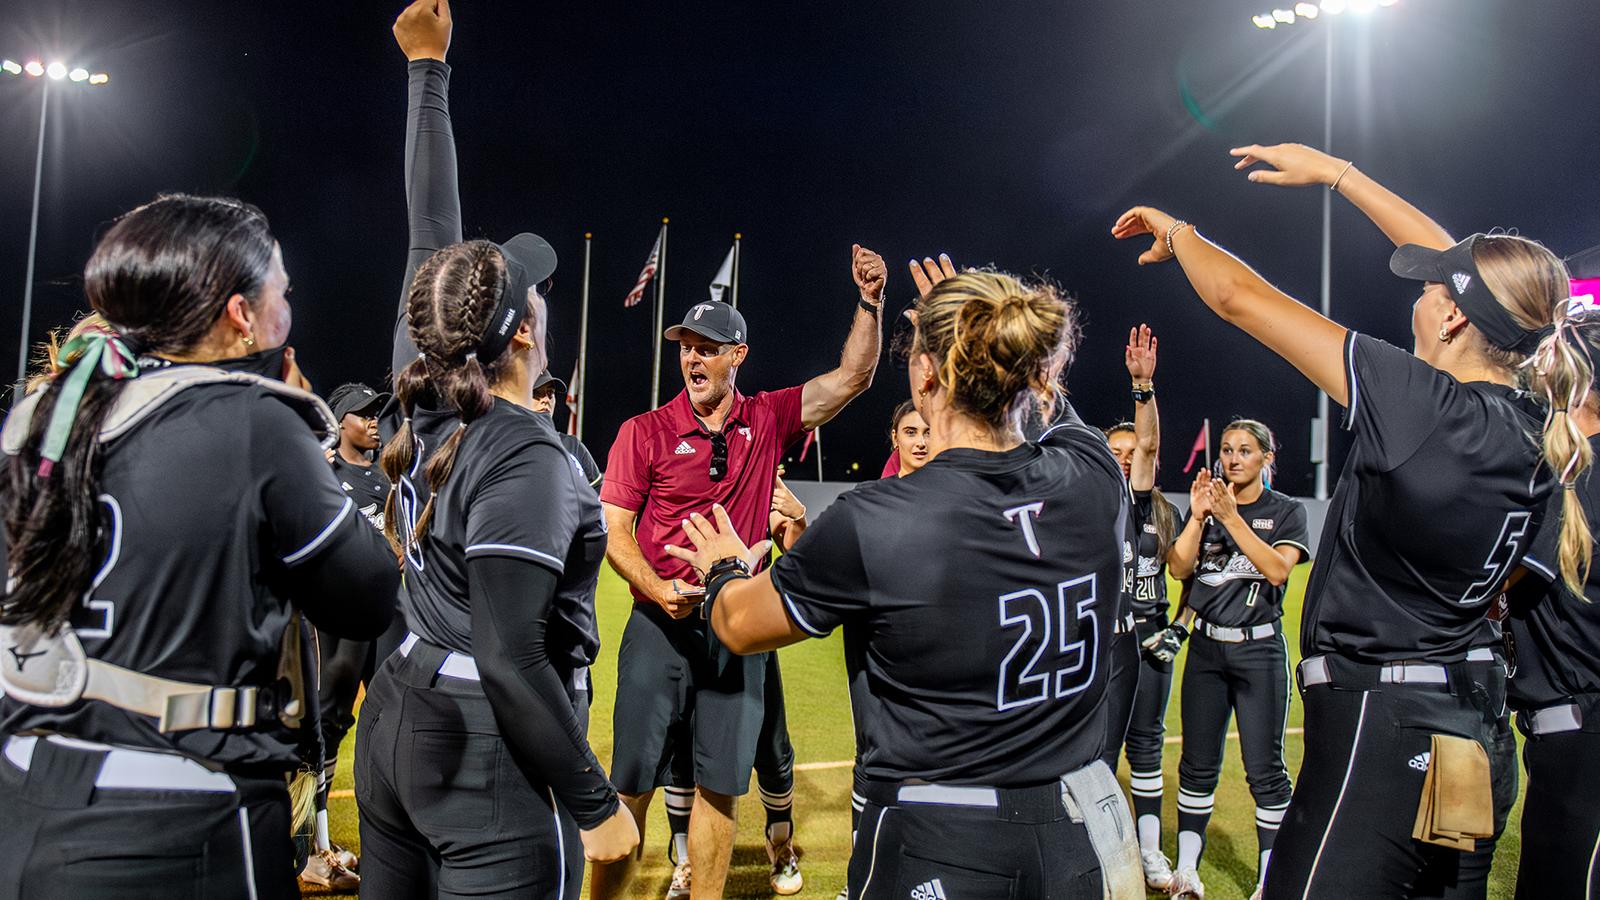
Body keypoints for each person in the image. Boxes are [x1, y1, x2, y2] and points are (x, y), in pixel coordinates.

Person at [1113, 141, 1590, 898]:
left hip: (1382, 726)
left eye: (1435, 290)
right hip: (1470, 721)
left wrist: (1182, 237)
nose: (1420, 293)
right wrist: (1342, 177)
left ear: (1457, 317)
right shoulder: (1536, 422)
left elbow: (1241, 298)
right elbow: (1471, 275)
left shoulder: (1424, 409)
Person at [666, 265, 1145, 898]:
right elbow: (1057, 412)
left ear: (925, 375)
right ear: (1033, 370)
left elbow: (738, 623)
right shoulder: (1094, 477)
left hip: (942, 835)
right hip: (1082, 829)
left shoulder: (878, 521)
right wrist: (981, 326)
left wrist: (725, 565)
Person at [0, 194, 399, 899]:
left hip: (25, 791)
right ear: (241, 313)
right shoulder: (255, 422)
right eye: (281, 287)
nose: (288, 300)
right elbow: (365, 594)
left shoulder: (44, 414)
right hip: (179, 814)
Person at [353, 2, 638, 895]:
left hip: (401, 710)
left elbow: (429, 227)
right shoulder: (527, 455)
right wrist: (596, 805)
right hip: (483, 741)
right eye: (537, 294)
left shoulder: (420, 367)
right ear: (522, 337)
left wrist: (427, 70)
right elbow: (512, 652)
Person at [593, 243, 885, 900]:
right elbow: (614, 532)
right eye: (686, 347)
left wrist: (870, 302)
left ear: (738, 356)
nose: (692, 357)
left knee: (721, 788)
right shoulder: (643, 431)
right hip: (658, 626)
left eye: (707, 347)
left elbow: (852, 379)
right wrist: (657, 585)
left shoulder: (769, 417)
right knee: (632, 782)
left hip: (736, 630)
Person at [1159, 419, 1309, 899]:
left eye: (1245, 450)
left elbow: (1277, 570)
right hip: (1206, 650)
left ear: (1267, 458)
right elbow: (1179, 567)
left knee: (1265, 769)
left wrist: (1229, 518)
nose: (1232, 458)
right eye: (1226, 450)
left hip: (1260, 650)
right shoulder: (1207, 507)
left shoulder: (1287, 511)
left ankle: (1270, 881)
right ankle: (1187, 871)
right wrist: (1199, 516)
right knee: (1197, 765)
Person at [1505, 308, 1600, 899]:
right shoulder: (1562, 471)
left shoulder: (1568, 477)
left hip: (1581, 735)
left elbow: (1495, 577)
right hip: (1565, 736)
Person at [297, 381, 393, 891]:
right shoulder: (323, 476)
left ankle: (384, 841)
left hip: (389, 618)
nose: (374, 420)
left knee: (393, 719)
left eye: (378, 412)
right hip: (334, 619)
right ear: (339, 423)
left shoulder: (389, 477)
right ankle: (314, 847)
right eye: (363, 413)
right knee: (327, 723)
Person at [1103, 325, 1184, 892]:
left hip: (1143, 637)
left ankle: (1150, 853)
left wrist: (1142, 387)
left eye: (1132, 455)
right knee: (1095, 753)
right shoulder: (1079, 494)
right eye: (1116, 453)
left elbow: (1151, 448)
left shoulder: (1144, 504)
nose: (1127, 461)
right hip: (1091, 644)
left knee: (1146, 744)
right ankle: (1101, 854)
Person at [879, 399, 931, 478]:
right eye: (910, 433)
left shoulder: (954, 487)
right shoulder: (877, 489)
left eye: (929, 433)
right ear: (895, 438)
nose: (921, 443)